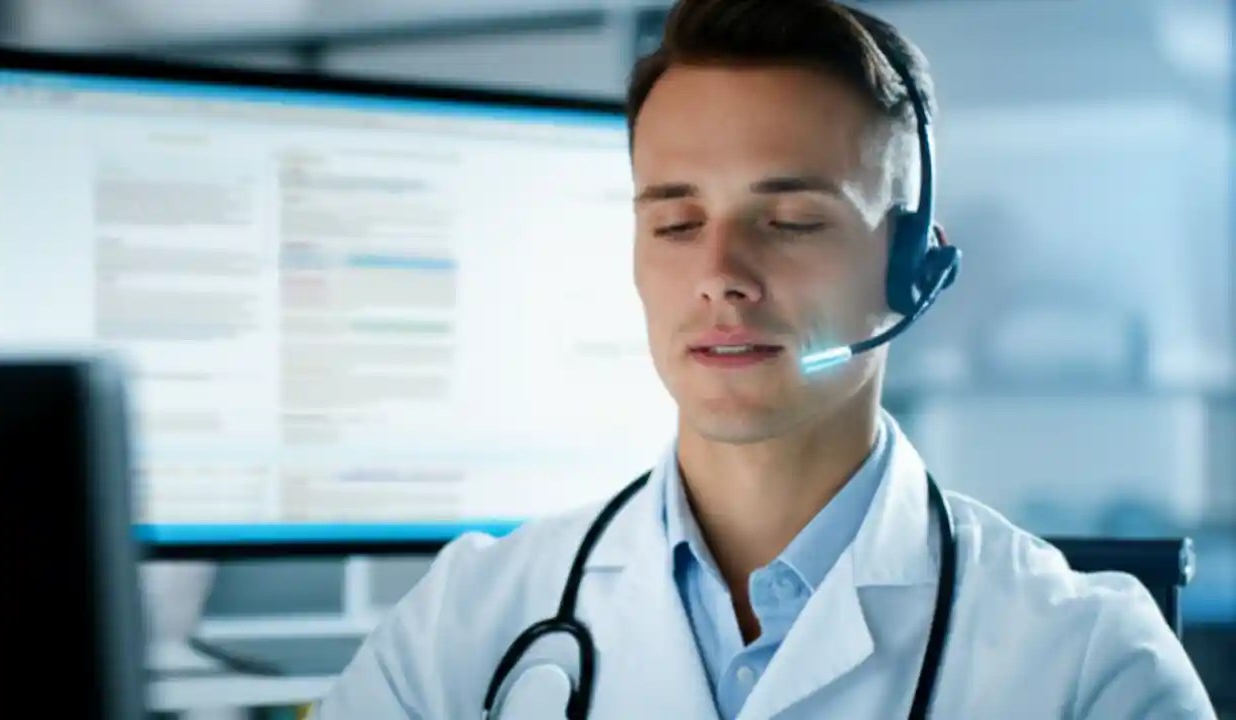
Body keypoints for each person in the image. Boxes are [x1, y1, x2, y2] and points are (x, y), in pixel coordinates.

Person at [312, 1, 1216, 717]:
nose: (720, 277)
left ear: (913, 266)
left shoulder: (1086, 664)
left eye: (788, 223)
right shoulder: (466, 623)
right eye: (676, 222)